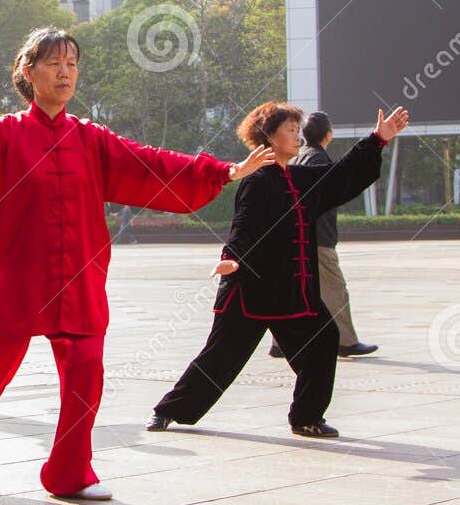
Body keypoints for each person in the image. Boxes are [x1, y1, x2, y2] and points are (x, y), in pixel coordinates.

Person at [0, 26, 274, 499]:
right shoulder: (5, 135)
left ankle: (70, 473)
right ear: (29, 72)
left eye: (71, 64)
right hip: (17, 280)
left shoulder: (92, 140)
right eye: (54, 63)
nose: (65, 72)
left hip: (79, 279)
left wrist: (222, 172)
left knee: (85, 374)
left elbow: (150, 164)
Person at [149, 102, 408, 438]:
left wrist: (378, 139)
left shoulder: (300, 178)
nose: (297, 135)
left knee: (324, 339)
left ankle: (306, 418)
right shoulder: (257, 181)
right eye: (289, 129)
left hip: (292, 292)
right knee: (221, 357)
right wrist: (231, 256)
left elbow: (343, 176)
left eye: (297, 129)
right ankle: (167, 411)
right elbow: (243, 226)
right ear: (268, 137)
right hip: (251, 290)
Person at [275, 110, 377, 360]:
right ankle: (346, 341)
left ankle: (280, 343)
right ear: (328, 135)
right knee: (334, 290)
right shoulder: (319, 159)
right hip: (317, 239)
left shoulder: (298, 158)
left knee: (296, 290)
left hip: (297, 237)